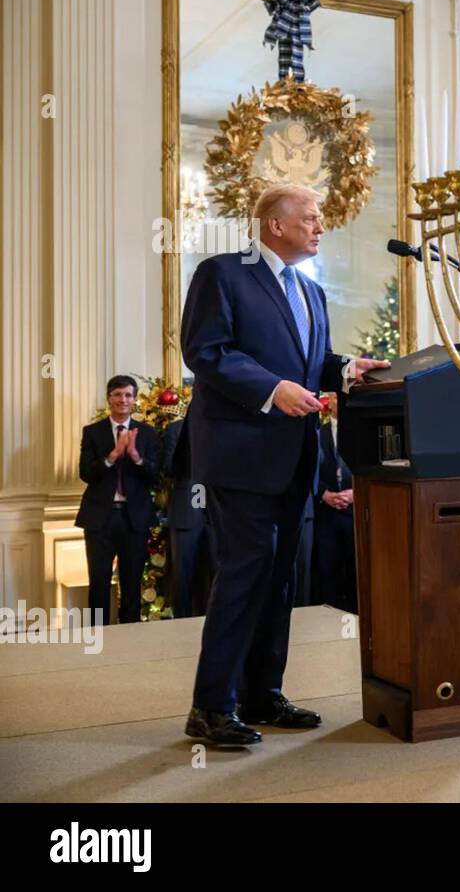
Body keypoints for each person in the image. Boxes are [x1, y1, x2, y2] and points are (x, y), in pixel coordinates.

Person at [180, 184, 389, 747]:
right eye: (312, 219)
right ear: (276, 224)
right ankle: (210, 706)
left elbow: (311, 363)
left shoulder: (310, 291)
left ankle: (262, 694)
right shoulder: (222, 274)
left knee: (279, 582)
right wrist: (273, 389)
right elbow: (206, 350)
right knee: (245, 574)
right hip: (241, 454)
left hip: (296, 457)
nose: (322, 227)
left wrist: (346, 369)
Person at [76, 375, 161, 627]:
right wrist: (112, 455)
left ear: (134, 400)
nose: (122, 400)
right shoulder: (93, 432)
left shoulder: (147, 433)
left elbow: (155, 475)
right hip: (100, 517)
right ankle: (97, 635)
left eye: (127, 395)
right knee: (99, 581)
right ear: (109, 398)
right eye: (117, 394)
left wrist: (135, 456)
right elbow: (86, 473)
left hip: (134, 518)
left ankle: (129, 637)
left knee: (132, 580)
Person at [161, 414, 212, 618]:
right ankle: (180, 623)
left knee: (219, 574)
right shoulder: (176, 429)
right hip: (186, 512)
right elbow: (168, 468)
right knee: (182, 577)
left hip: (219, 515)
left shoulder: (226, 426)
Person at [313, 394, 356, 613]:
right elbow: (309, 471)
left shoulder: (360, 433)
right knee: (328, 571)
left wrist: (355, 493)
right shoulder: (318, 434)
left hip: (355, 514)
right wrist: (324, 494)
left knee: (355, 572)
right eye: (338, 398)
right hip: (326, 515)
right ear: (330, 401)